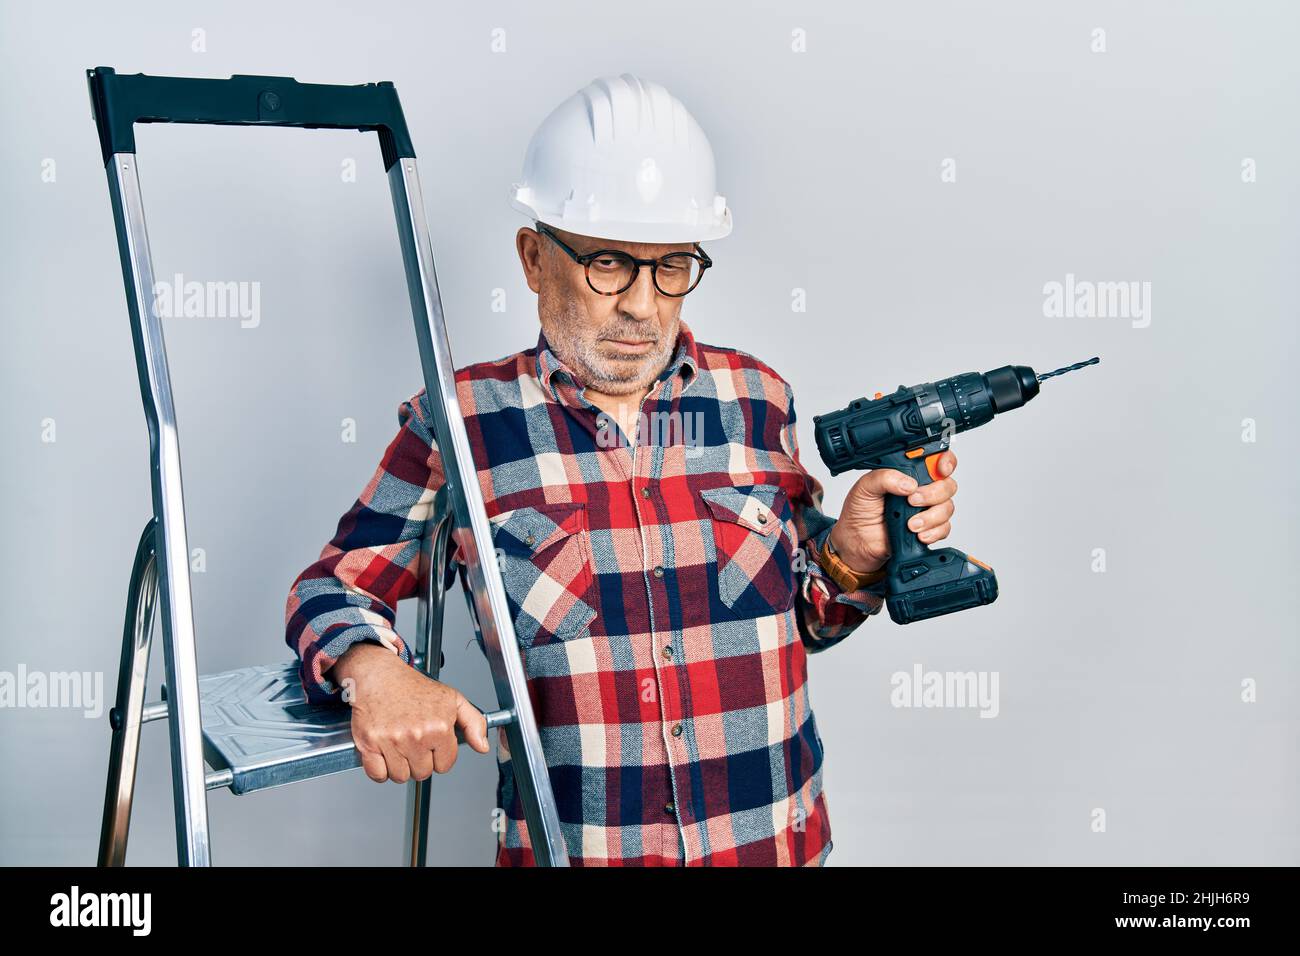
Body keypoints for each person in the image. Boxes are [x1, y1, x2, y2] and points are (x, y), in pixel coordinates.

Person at [284, 73, 958, 866]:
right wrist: (371, 671)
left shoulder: (757, 396)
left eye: (672, 266)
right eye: (609, 265)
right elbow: (332, 586)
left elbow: (809, 614)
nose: (643, 305)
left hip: (773, 847)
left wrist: (855, 553)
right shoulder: (460, 423)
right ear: (535, 259)